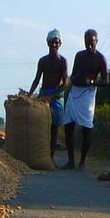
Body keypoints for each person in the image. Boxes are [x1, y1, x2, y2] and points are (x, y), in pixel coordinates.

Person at [61, 29, 107, 169]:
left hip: (88, 94)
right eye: (87, 42)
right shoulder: (79, 56)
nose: (89, 45)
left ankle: (82, 162)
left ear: (96, 41)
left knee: (87, 129)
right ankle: (71, 161)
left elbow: (106, 81)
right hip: (75, 92)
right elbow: (74, 73)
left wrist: (91, 82)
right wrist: (75, 79)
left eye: (92, 42)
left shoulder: (100, 59)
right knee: (68, 126)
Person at [28, 29, 68, 158]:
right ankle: (39, 154)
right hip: (44, 93)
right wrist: (29, 94)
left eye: (56, 42)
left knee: (54, 127)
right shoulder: (43, 61)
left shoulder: (63, 61)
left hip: (56, 96)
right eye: (52, 42)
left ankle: (50, 156)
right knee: (40, 125)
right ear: (47, 43)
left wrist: (52, 96)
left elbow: (65, 84)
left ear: (60, 43)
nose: (54, 45)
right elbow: (36, 79)